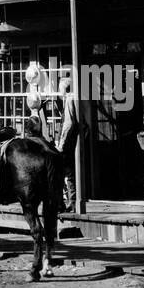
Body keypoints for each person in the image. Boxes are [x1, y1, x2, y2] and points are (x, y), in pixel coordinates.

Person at [58, 73, 80, 211]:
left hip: (68, 142)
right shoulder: (74, 98)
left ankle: (69, 202)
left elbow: (68, 123)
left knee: (64, 173)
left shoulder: (69, 99)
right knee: (70, 173)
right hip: (73, 140)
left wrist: (61, 144)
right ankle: (72, 201)